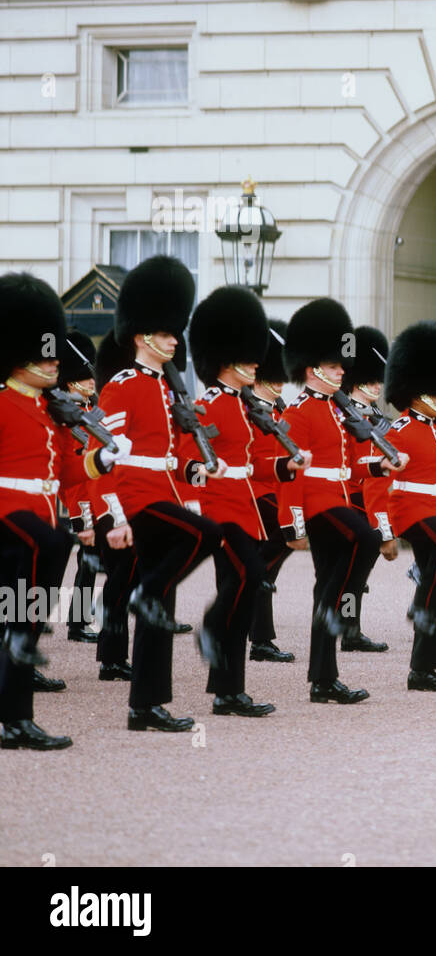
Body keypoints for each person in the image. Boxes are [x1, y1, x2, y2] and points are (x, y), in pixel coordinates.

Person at [96, 256, 224, 734]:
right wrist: (115, 516)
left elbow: (174, 453)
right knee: (206, 536)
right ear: (142, 335)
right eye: (168, 332)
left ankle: (145, 706)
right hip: (136, 497)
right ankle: (144, 595)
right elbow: (101, 453)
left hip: (164, 491)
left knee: (162, 603)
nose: (176, 340)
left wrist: (193, 475)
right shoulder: (123, 384)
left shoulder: (168, 389)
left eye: (176, 332)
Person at [0, 274, 111, 750]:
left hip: (40, 515)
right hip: (8, 517)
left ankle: (16, 720)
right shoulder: (2, 403)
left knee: (21, 624)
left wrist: (102, 459)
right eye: (43, 356)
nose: (52, 364)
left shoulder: (52, 411)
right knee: (50, 549)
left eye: (54, 356)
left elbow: (68, 471)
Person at [278, 298, 403, 705]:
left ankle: (323, 679)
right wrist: (293, 524)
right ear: (314, 369)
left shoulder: (338, 410)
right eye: (335, 367)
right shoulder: (298, 411)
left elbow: (351, 469)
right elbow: (292, 470)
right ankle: (338, 612)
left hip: (336, 499)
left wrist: (381, 468)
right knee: (365, 538)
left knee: (325, 592)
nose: (342, 372)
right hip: (317, 504)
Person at [184, 284, 293, 717]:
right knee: (249, 576)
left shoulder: (246, 407)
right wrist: (197, 486)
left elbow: (252, 466)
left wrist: (284, 468)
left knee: (243, 594)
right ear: (226, 361)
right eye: (249, 358)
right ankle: (209, 626)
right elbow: (189, 462)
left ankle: (229, 691)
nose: (257, 364)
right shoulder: (207, 405)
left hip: (245, 508)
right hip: (219, 509)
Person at [378, 321, 436, 692]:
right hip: (409, 507)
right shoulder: (399, 429)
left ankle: (424, 667)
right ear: (414, 392)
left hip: (433, 506)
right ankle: (424, 610)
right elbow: (377, 481)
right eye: (433, 392)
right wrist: (385, 532)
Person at [246, 319, 296, 664]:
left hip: (276, 489)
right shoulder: (248, 406)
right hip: (253, 490)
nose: (279, 381)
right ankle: (75, 618)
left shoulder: (279, 407)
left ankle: (260, 635)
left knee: (267, 563)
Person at [90, 329, 138, 684]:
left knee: (127, 578)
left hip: (137, 500)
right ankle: (111, 656)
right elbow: (101, 462)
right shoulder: (116, 391)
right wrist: (113, 514)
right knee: (119, 581)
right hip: (113, 505)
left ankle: (117, 652)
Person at [341, 325, 392, 654]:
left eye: (378, 380)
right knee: (351, 570)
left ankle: (350, 628)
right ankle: (347, 628)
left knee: (358, 571)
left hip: (370, 495)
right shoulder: (348, 415)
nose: (376, 386)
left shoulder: (375, 415)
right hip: (351, 497)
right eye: (370, 381)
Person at [55, 329, 103, 649]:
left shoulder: (89, 412)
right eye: (85, 379)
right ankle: (74, 621)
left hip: (99, 497)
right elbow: (72, 474)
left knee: (90, 562)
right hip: (80, 498)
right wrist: (82, 514)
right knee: (82, 562)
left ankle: (77, 619)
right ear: (71, 383)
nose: (91, 382)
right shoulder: (68, 418)